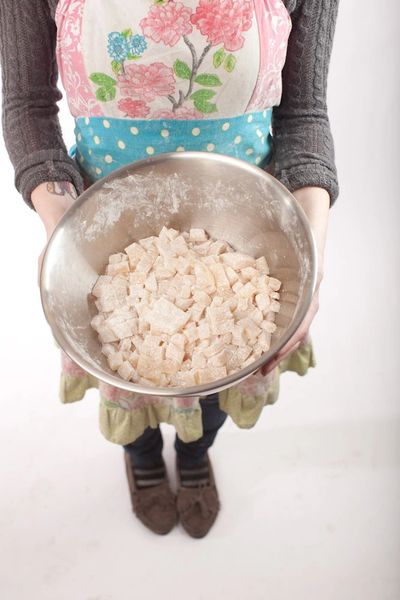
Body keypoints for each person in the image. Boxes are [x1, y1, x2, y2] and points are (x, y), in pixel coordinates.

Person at [0, 0, 339, 538]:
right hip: (107, 251)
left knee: (215, 385)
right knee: (129, 380)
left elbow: (304, 114)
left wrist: (312, 248)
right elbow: (27, 104)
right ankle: (142, 457)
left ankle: (197, 449)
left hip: (244, 247)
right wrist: (62, 222)